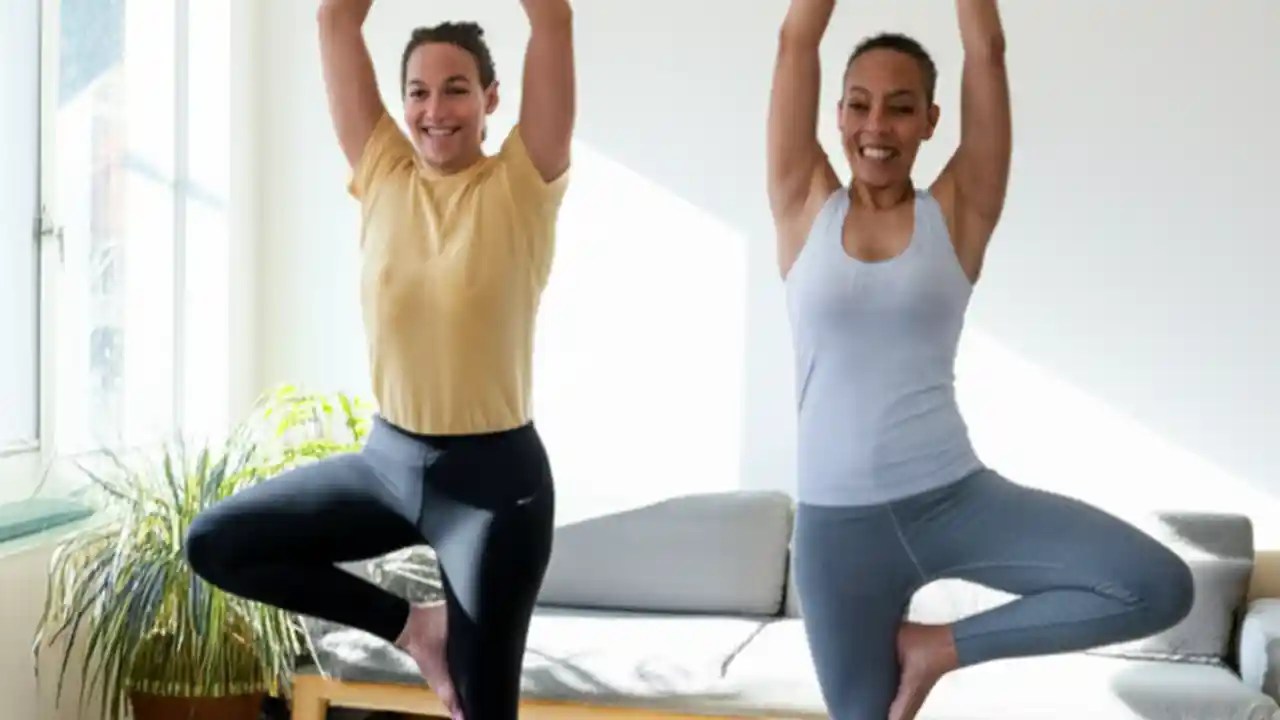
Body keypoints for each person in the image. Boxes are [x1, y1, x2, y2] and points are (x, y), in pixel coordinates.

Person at [767, 2, 1194, 719]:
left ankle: (937, 648)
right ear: (836, 114)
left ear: (932, 121)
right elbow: (794, 38)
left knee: (1156, 585)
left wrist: (950, 643)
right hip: (837, 532)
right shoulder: (802, 202)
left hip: (953, 499)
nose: (877, 127)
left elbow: (986, 50)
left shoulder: (959, 211)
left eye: (901, 109)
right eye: (861, 106)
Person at [185, 0, 575, 718]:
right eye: (418, 92)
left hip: (496, 488)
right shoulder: (383, 169)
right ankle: (414, 627)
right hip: (389, 464)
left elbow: (552, 19)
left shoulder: (522, 183)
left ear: (492, 99)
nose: (435, 109)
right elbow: (336, 18)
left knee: (483, 711)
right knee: (216, 543)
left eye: (457, 88)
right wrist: (401, 618)